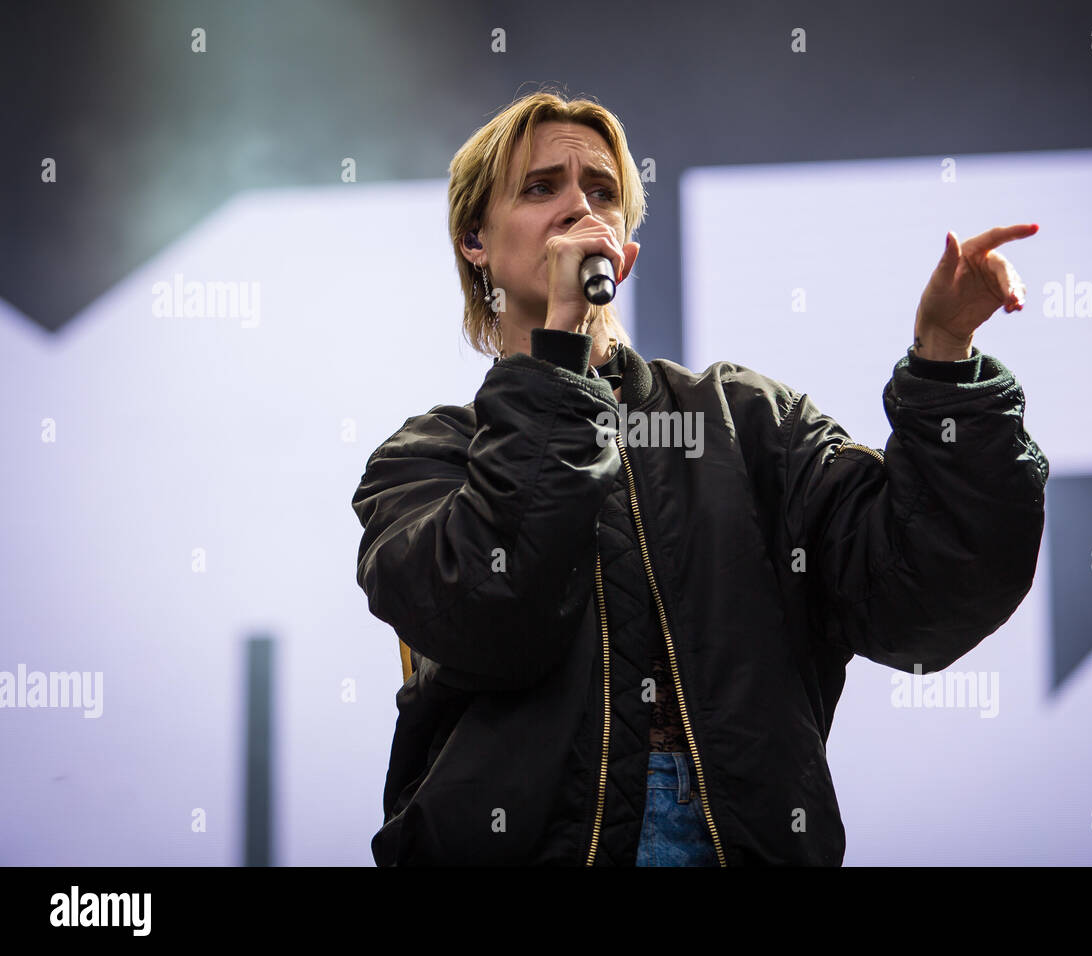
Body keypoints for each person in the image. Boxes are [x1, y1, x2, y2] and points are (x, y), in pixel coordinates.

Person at [351, 89, 1049, 866]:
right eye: (542, 187)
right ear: (474, 240)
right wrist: (556, 356)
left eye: (603, 191)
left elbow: (925, 598)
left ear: (625, 247)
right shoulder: (426, 461)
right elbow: (494, 612)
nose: (580, 205)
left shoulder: (749, 422)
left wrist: (946, 358)